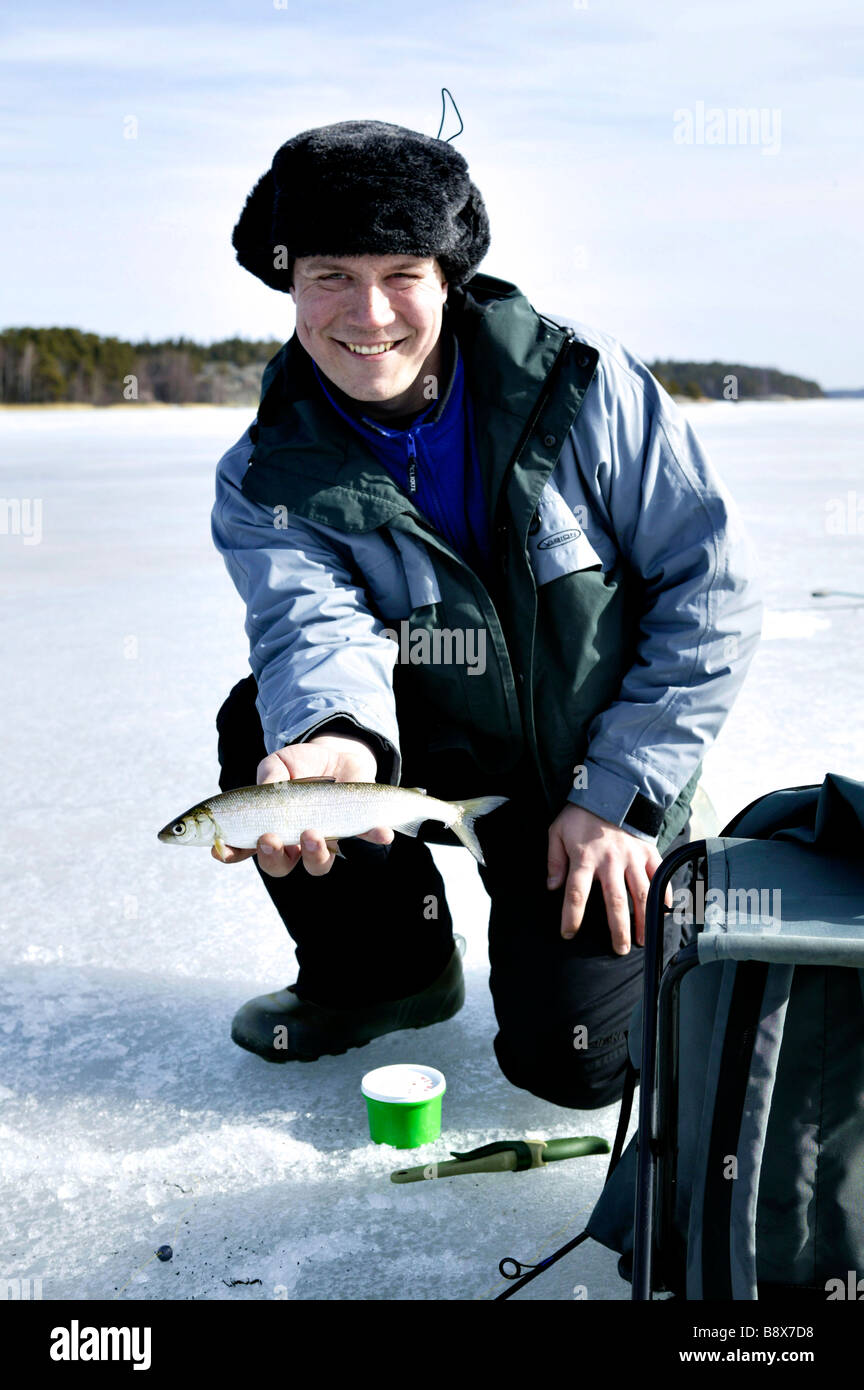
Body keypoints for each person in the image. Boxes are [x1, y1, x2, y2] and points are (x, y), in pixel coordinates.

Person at [210, 119, 762, 1109]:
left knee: (578, 1066)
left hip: (594, 770)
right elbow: (312, 630)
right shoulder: (265, 477)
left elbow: (709, 590)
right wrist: (332, 741)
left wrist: (623, 794)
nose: (367, 312)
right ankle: (388, 976)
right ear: (287, 281)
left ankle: (665, 879)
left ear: (448, 273)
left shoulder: (583, 386)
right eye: (331, 273)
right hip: (437, 758)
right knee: (263, 726)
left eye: (402, 273)